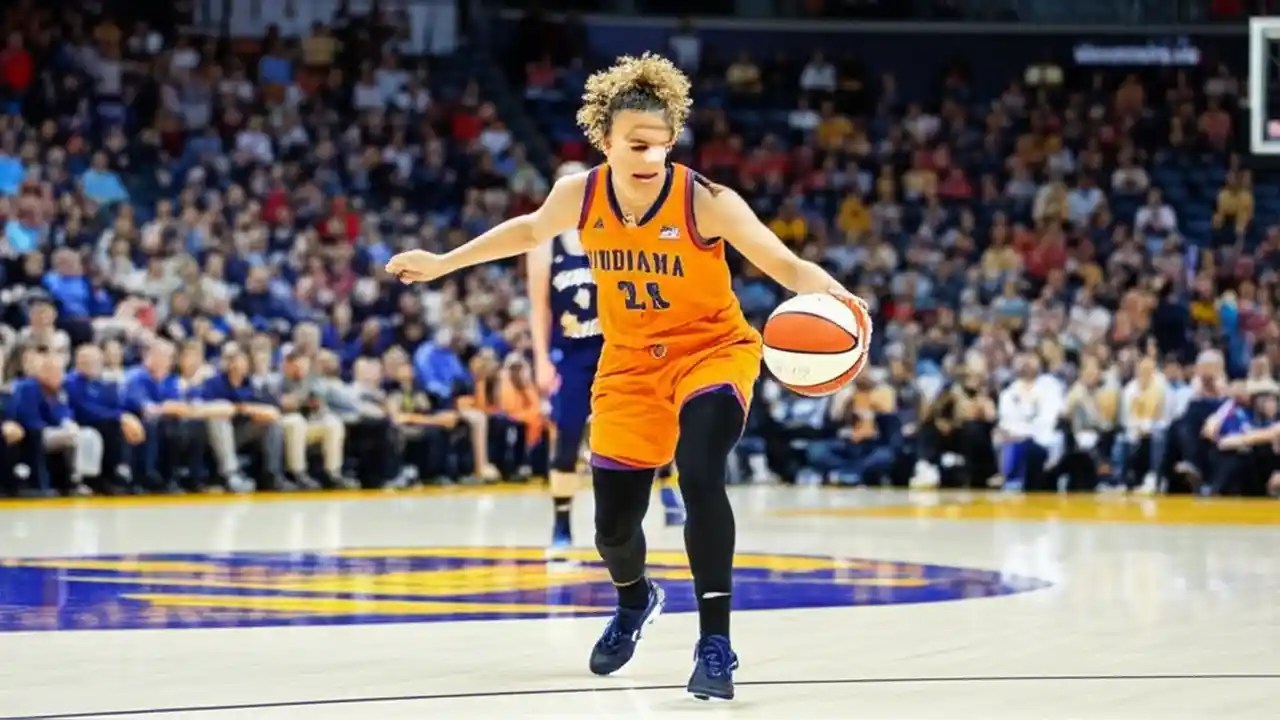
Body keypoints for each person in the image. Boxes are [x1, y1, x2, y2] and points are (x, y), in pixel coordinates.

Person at [387, 53, 866, 701]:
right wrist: (444, 262)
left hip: (713, 352)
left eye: (663, 146)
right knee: (612, 527)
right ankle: (635, 600)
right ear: (604, 142)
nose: (651, 157)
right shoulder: (577, 195)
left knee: (700, 474)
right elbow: (527, 230)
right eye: (637, 145)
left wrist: (846, 302)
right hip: (630, 362)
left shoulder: (707, 202)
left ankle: (716, 642)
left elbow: (784, 264)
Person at [527, 160, 687, 559]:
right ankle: (561, 526)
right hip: (572, 352)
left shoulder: (615, 229)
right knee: (566, 438)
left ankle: (667, 486)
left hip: (619, 344)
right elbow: (538, 309)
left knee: (648, 421)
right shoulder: (544, 242)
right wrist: (541, 361)